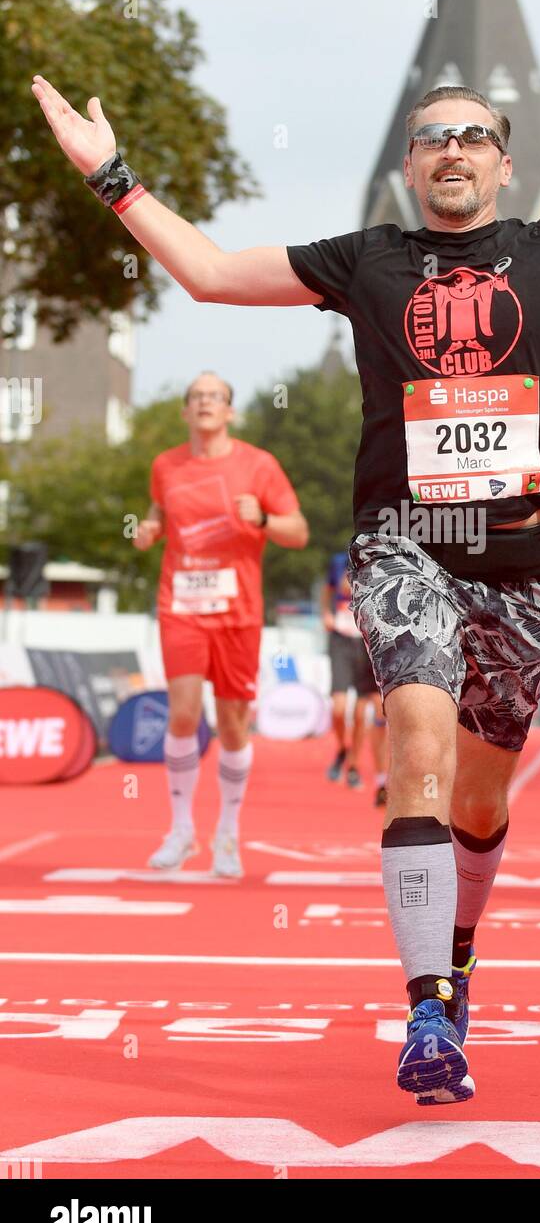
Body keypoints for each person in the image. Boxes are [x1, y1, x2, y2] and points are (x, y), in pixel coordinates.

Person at [32, 0, 540, 1100]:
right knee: (417, 748)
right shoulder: (366, 260)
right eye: (430, 137)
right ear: (407, 166)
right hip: (403, 546)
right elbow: (209, 271)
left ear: (501, 165)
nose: (451, 151)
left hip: (524, 571)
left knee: (481, 802)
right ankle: (426, 1011)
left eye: (472, 135)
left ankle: (460, 958)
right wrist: (112, 176)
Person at [133, 373, 308, 877]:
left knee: (233, 725)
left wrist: (263, 521)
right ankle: (182, 829)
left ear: (229, 412)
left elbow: (298, 532)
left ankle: (227, 833)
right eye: (197, 397)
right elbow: (160, 513)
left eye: (216, 397)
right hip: (182, 606)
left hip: (238, 612)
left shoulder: (258, 465)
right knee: (183, 713)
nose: (206, 403)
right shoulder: (165, 465)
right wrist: (149, 530)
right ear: (185, 412)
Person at [321, 550, 389, 805]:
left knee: (368, 712)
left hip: (366, 641)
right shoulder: (339, 561)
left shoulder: (379, 561)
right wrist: (324, 615)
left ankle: (357, 768)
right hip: (341, 639)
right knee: (339, 708)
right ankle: (342, 749)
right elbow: (328, 590)